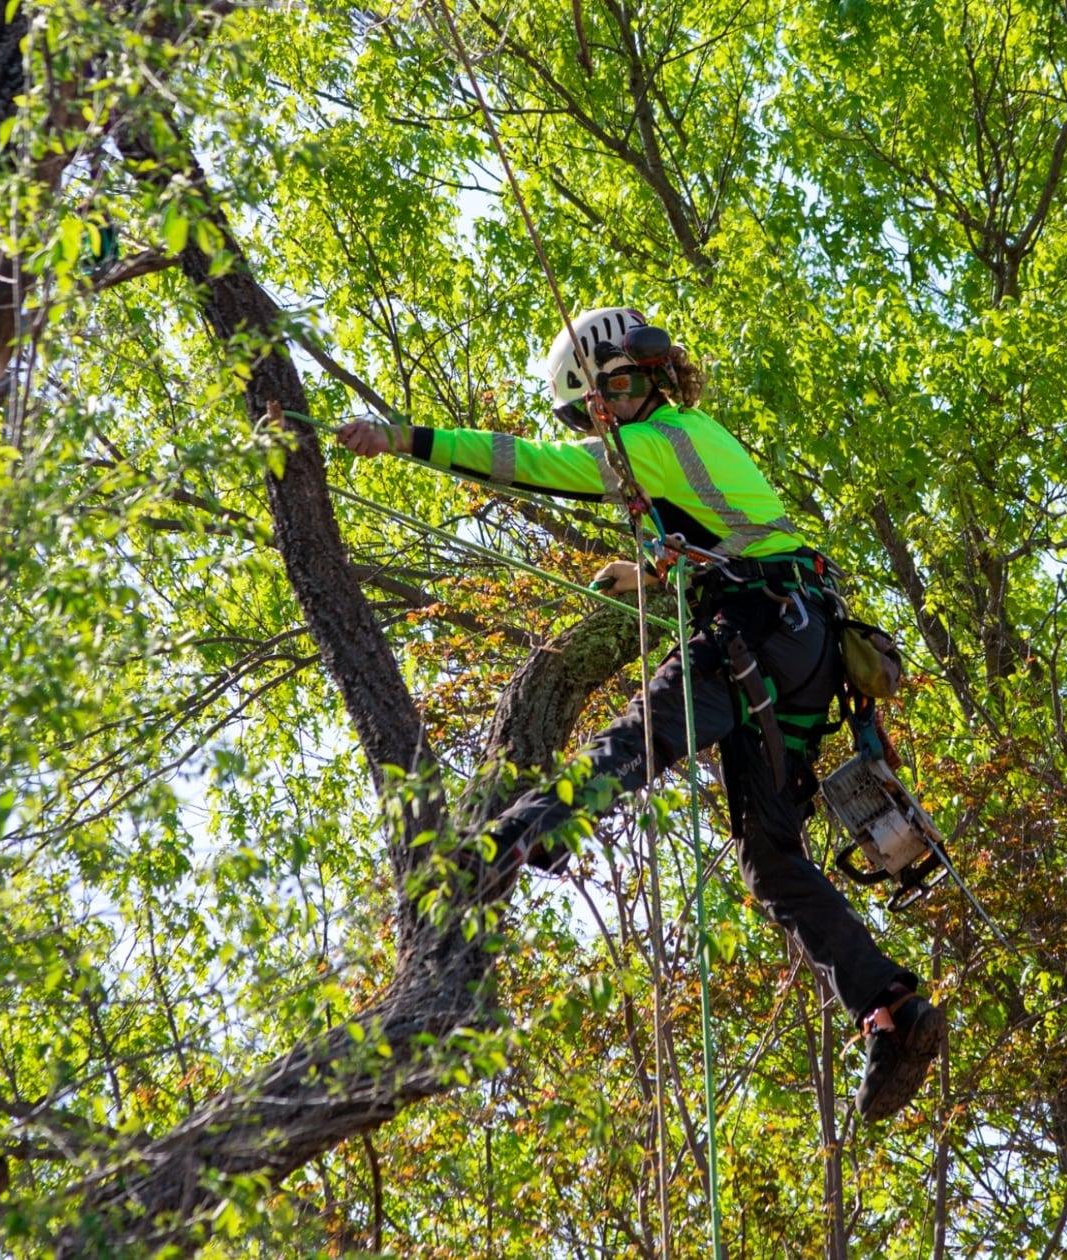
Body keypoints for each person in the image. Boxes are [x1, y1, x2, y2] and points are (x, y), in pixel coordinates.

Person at [334, 306, 946, 1122]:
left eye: (596, 402)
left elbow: (527, 463)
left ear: (619, 383)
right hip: (804, 646)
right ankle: (892, 1010)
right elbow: (734, 533)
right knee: (769, 856)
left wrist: (401, 440)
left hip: (755, 634)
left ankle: (515, 838)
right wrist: (653, 573)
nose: (594, 421)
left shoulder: (654, 441)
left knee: (644, 733)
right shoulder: (687, 436)